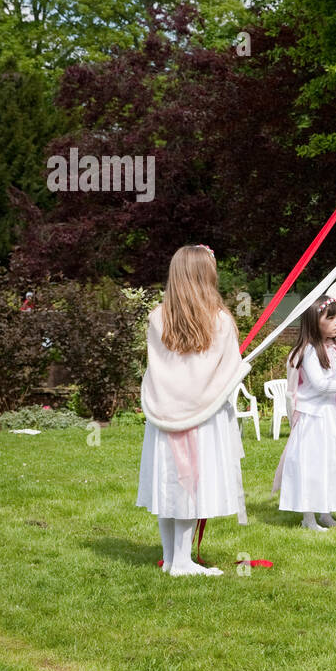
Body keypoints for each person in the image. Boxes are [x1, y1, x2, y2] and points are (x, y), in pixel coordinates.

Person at [137, 245, 248, 577]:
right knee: (188, 484)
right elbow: (227, 371)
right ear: (205, 275)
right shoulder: (221, 322)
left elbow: (161, 366)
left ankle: (172, 557)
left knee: (169, 482)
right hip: (201, 417)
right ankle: (181, 562)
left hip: (163, 414)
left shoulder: (157, 317)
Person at [273, 298, 336, 530]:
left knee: (333, 463)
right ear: (313, 323)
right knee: (314, 464)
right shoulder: (308, 351)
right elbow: (320, 385)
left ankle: (325, 512)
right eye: (330, 318)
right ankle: (308, 518)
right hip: (315, 417)